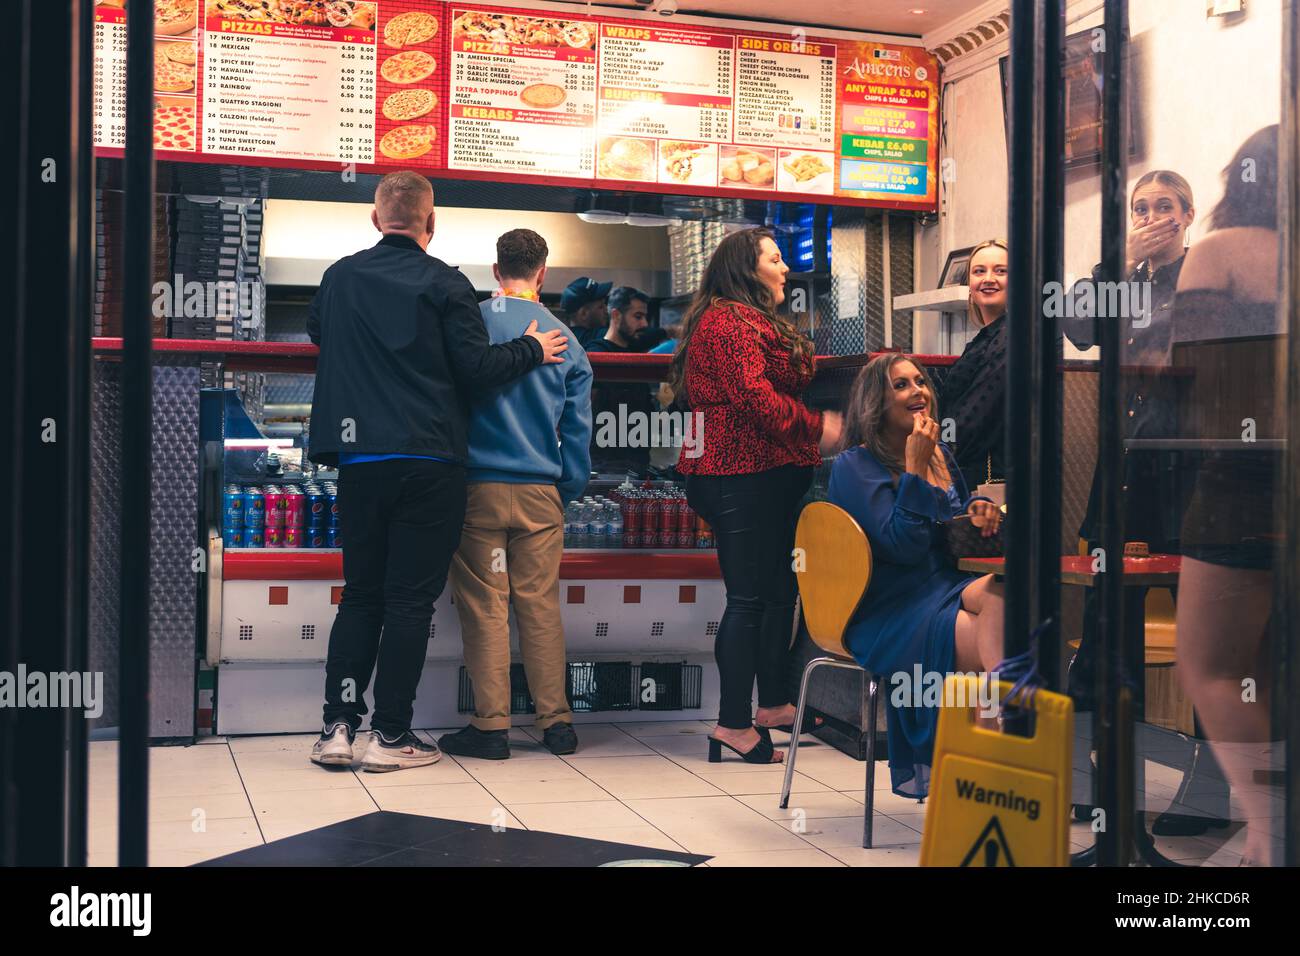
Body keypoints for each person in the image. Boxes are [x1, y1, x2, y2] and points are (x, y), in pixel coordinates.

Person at [307, 172, 569, 772]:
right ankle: (391, 737)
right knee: (407, 603)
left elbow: (319, 332)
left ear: (377, 220)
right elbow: (477, 368)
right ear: (432, 223)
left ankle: (338, 728)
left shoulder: (340, 276)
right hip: (430, 463)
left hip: (360, 462)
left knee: (361, 597)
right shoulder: (447, 282)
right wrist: (533, 348)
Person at [1061, 170, 1228, 836]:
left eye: (1164, 207)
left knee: (1207, 632)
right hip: (1124, 469)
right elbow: (1074, 325)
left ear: (1188, 217)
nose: (1153, 217)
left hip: (1190, 472)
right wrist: (1120, 261)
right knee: (1108, 622)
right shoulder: (1121, 278)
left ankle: (1208, 791)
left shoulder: (1208, 277)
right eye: (1141, 208)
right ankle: (1090, 773)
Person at [669, 227, 843, 764]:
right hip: (736, 476)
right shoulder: (728, 320)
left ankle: (771, 704)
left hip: (762, 474)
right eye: (775, 259)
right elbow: (754, 398)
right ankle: (732, 724)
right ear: (748, 269)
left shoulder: (746, 319)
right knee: (747, 599)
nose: (785, 267)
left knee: (776, 595)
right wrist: (818, 428)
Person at [1172, 125, 1282, 866]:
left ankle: (1270, 831)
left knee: (1213, 663)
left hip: (1243, 483)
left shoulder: (1220, 252)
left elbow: (1198, 380)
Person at [440, 230, 593, 760]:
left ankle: (492, 727)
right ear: (543, 273)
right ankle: (557, 723)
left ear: (494, 270)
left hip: (477, 488)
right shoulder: (565, 339)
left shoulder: (473, 322)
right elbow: (577, 432)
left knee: (486, 608)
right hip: (540, 491)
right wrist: (564, 489)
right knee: (539, 606)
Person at [828, 353, 1005, 798]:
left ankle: (994, 737)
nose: (917, 391)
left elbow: (949, 529)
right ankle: (994, 756)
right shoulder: (854, 466)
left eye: (920, 381)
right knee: (1002, 633)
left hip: (946, 587)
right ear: (876, 402)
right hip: (891, 608)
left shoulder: (940, 453)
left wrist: (976, 511)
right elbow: (903, 548)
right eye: (901, 385)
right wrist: (913, 469)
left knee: (1008, 591)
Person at [938, 238, 1009, 493]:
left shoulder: (1013, 336)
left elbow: (971, 420)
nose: (988, 278)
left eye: (1000, 270)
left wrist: (931, 459)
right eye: (979, 271)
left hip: (990, 486)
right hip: (968, 476)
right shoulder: (984, 339)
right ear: (970, 284)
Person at [585, 286, 650, 352]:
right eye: (638, 316)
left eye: (645, 317)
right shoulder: (597, 352)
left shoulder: (637, 350)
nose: (645, 324)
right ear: (616, 316)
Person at [560, 277, 612, 349]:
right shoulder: (598, 336)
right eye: (601, 307)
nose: (606, 311)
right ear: (584, 313)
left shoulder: (562, 337)